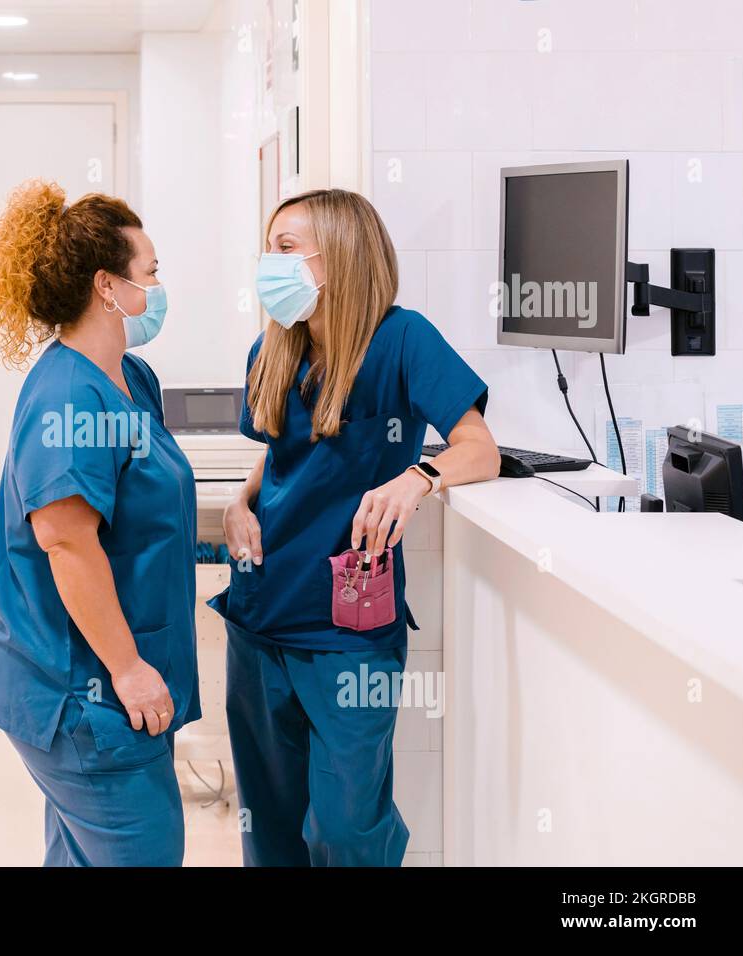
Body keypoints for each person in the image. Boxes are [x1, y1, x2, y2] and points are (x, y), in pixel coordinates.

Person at [211, 188, 501, 866]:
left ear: (339, 255)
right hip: (260, 616)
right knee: (271, 826)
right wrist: (238, 501)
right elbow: (282, 455)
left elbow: (479, 447)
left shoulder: (403, 340)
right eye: (268, 247)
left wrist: (419, 477)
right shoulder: (272, 350)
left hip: (348, 628)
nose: (268, 263)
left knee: (346, 827)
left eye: (285, 248)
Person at [0, 180, 200, 866]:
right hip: (79, 693)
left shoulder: (132, 378)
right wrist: (127, 669)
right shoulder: (68, 394)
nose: (158, 288)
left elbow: (137, 510)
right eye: (150, 272)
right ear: (108, 285)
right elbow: (66, 540)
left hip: (98, 685)